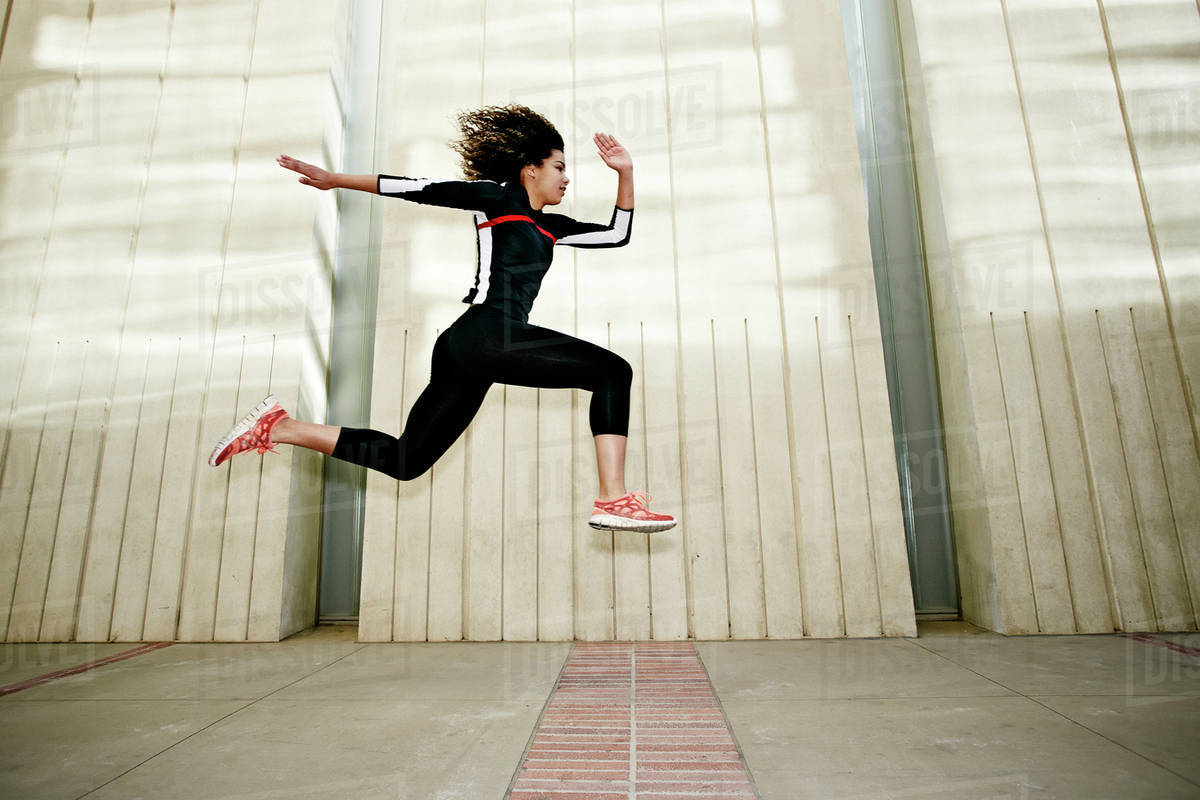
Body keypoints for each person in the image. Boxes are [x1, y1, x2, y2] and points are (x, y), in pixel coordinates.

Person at [207, 104, 675, 533]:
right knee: (614, 371)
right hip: (489, 332)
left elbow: (617, 234)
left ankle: (279, 427)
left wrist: (626, 173)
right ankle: (613, 498)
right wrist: (335, 179)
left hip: (472, 350)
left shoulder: (552, 227)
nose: (566, 179)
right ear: (530, 169)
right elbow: (418, 189)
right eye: (559, 167)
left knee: (406, 460)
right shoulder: (496, 197)